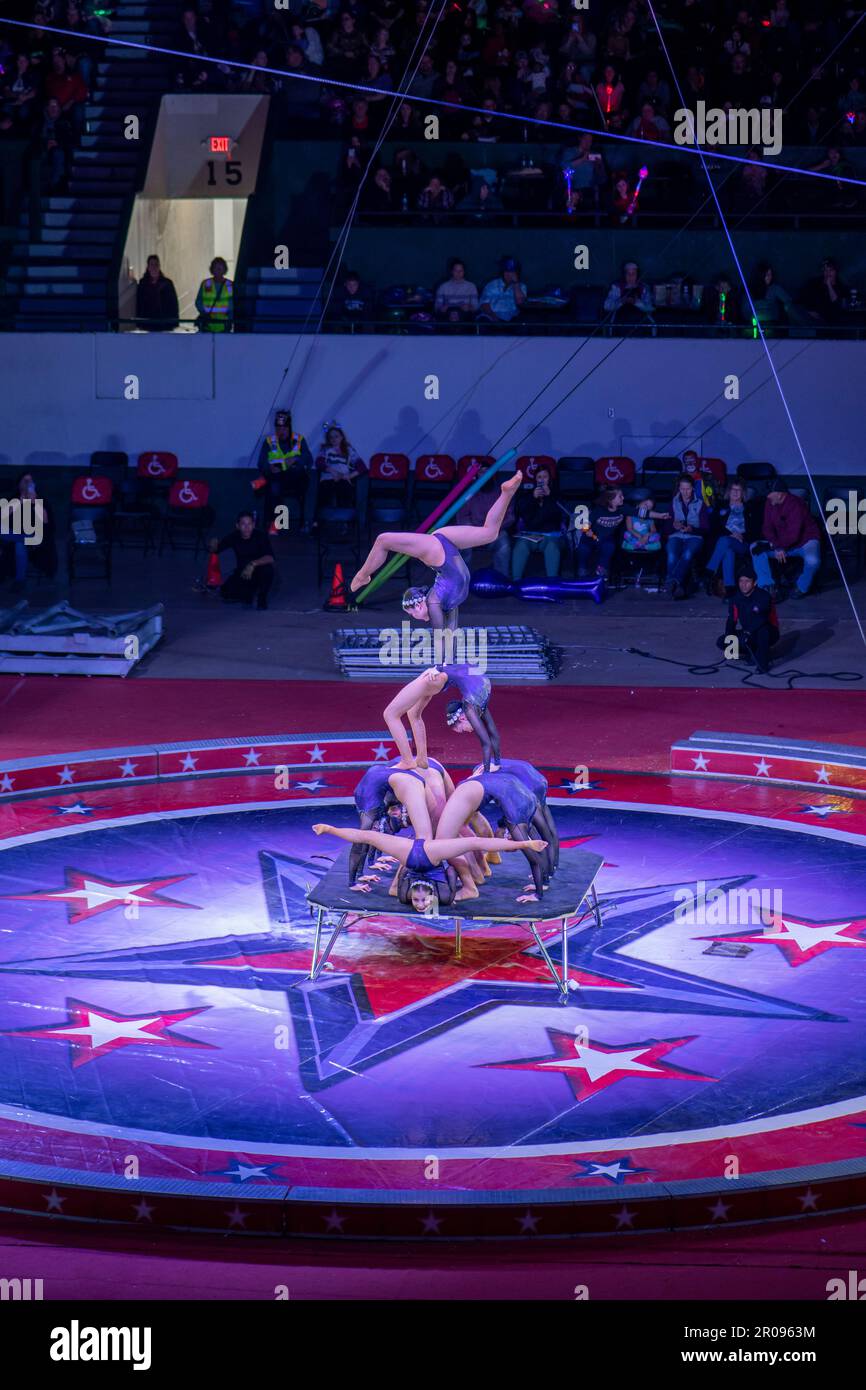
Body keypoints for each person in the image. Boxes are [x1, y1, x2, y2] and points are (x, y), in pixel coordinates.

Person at [350, 470, 522, 628]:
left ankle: (363, 575)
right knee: (490, 533)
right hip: (442, 547)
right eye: (413, 613)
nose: (415, 615)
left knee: (383, 540)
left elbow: (441, 627)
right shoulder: (440, 603)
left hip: (440, 549)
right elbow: (444, 629)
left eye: (412, 612)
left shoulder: (440, 600)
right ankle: (506, 493)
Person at [312, 821, 544, 911]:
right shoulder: (442, 894)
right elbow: (362, 836)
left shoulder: (407, 895)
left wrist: (524, 843)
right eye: (421, 901)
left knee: (470, 844)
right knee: (368, 837)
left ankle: (524, 842)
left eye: (418, 901)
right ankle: (329, 828)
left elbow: (477, 842)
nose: (420, 905)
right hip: (421, 858)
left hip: (420, 854)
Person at [433, 773, 550, 901]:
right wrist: (540, 889)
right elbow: (538, 851)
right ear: (509, 836)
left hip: (478, 785)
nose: (507, 847)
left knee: (448, 838)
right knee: (443, 843)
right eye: (510, 846)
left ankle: (476, 876)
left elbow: (540, 848)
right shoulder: (520, 816)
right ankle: (473, 880)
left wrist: (542, 887)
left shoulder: (520, 814)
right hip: (473, 790)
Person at [381, 665, 499, 772]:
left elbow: (488, 739)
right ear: (462, 718)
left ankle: (407, 761)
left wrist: (439, 667)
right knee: (412, 714)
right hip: (438, 678)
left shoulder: (474, 705)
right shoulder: (474, 707)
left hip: (437, 679)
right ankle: (421, 759)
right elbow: (491, 737)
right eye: (462, 730)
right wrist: (438, 667)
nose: (469, 731)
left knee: (390, 714)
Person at [750, 481, 821, 598]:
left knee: (813, 561)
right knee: (755, 548)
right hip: (782, 543)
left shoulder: (796, 504)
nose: (767, 496)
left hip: (805, 541)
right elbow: (767, 528)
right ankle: (767, 587)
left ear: (779, 494)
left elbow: (794, 535)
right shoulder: (770, 502)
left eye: (770, 493)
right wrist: (776, 545)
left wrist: (777, 546)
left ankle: (801, 587)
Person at [255, 410, 316, 535]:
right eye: (278, 428)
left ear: (289, 427)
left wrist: (296, 459)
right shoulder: (268, 441)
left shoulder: (299, 439)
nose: (281, 431)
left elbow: (309, 460)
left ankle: (260, 484)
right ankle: (280, 524)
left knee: (273, 485)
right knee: (275, 487)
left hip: (296, 478)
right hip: (276, 477)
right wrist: (270, 467)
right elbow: (261, 463)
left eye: (284, 428)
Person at [0, 471, 57, 589]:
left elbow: (46, 522)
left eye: (30, 481)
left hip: (36, 535)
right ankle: (19, 580)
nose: (27, 484)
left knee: (20, 545)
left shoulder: (40, 499)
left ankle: (19, 581)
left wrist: (35, 502)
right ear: (19, 484)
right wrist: (20, 501)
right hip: (16, 534)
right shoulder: (14, 499)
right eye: (25, 481)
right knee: (19, 542)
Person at [718, 565, 780, 673]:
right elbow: (732, 620)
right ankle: (753, 652)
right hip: (748, 632)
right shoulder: (736, 598)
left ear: (754, 583)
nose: (743, 585)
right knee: (722, 641)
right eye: (741, 581)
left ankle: (762, 664)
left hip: (768, 631)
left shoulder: (763, 596)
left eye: (747, 581)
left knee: (763, 631)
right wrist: (730, 643)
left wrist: (748, 632)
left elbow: (762, 618)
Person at [705, 480, 762, 595]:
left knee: (725, 541)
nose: (735, 492)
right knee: (728, 549)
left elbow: (756, 530)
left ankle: (709, 571)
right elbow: (713, 527)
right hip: (725, 542)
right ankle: (729, 588)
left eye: (739, 490)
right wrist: (730, 534)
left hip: (742, 543)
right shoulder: (721, 506)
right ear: (729, 492)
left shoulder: (750, 508)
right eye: (733, 490)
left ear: (743, 493)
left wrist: (741, 535)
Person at [210, 512, 275, 610]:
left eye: (249, 524)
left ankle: (262, 598)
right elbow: (216, 549)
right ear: (238, 526)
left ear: (253, 525)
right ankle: (248, 593)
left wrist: (253, 564)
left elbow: (270, 558)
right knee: (226, 593)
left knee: (268, 570)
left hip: (259, 570)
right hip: (243, 572)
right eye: (243, 524)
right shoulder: (233, 537)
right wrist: (212, 546)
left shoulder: (260, 536)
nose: (247, 527)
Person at [511, 465, 564, 578]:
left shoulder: (556, 495)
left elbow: (559, 515)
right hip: (532, 535)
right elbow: (526, 517)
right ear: (535, 479)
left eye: (545, 477)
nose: (542, 480)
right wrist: (533, 498)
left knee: (552, 547)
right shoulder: (528, 495)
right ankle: (516, 582)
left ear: (550, 479)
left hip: (551, 536)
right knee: (521, 545)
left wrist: (550, 497)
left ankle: (552, 582)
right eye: (539, 477)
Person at [665, 475, 709, 599]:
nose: (685, 492)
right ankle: (676, 586)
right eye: (682, 489)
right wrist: (674, 526)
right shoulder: (673, 502)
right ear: (679, 489)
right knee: (672, 553)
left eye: (688, 489)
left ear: (693, 489)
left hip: (694, 537)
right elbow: (666, 529)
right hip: (676, 535)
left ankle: (672, 582)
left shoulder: (700, 504)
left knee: (688, 553)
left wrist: (692, 529)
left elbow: (706, 529)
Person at [316, 422, 368, 519]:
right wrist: (332, 471)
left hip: (343, 479)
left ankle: (345, 522)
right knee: (324, 494)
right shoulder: (325, 449)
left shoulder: (348, 450)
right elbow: (319, 463)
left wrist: (348, 476)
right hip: (328, 478)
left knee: (345, 492)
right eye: (331, 437)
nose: (334, 439)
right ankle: (319, 523)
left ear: (341, 437)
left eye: (336, 436)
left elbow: (362, 467)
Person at [576, 486, 625, 578]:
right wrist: (587, 531)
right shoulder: (598, 510)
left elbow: (639, 512)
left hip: (605, 538)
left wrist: (660, 515)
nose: (623, 498)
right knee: (583, 548)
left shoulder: (621, 509)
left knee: (609, 546)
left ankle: (601, 570)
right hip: (591, 537)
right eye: (620, 496)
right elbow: (585, 525)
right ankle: (582, 569)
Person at [135, 254, 179, 331]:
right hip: (148, 324)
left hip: (165, 324)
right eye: (152, 264)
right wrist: (139, 322)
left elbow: (173, 304)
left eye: (156, 264)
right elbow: (139, 304)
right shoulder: (143, 284)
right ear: (148, 267)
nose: (154, 267)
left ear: (159, 266)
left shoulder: (167, 283)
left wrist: (174, 322)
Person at [477, 256, 527, 325]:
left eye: (511, 272)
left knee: (522, 323)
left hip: (512, 319)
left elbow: (520, 302)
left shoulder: (521, 286)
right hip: (492, 317)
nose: (508, 274)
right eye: (506, 271)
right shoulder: (492, 285)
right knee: (483, 322)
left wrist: (515, 283)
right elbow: (484, 304)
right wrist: (493, 316)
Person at [195, 257, 233, 332]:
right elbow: (198, 301)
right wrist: (205, 312)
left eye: (220, 267)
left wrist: (229, 318)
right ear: (212, 269)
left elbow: (233, 302)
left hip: (224, 324)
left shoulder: (229, 285)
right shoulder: (206, 284)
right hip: (208, 323)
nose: (218, 269)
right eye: (216, 267)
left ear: (224, 269)